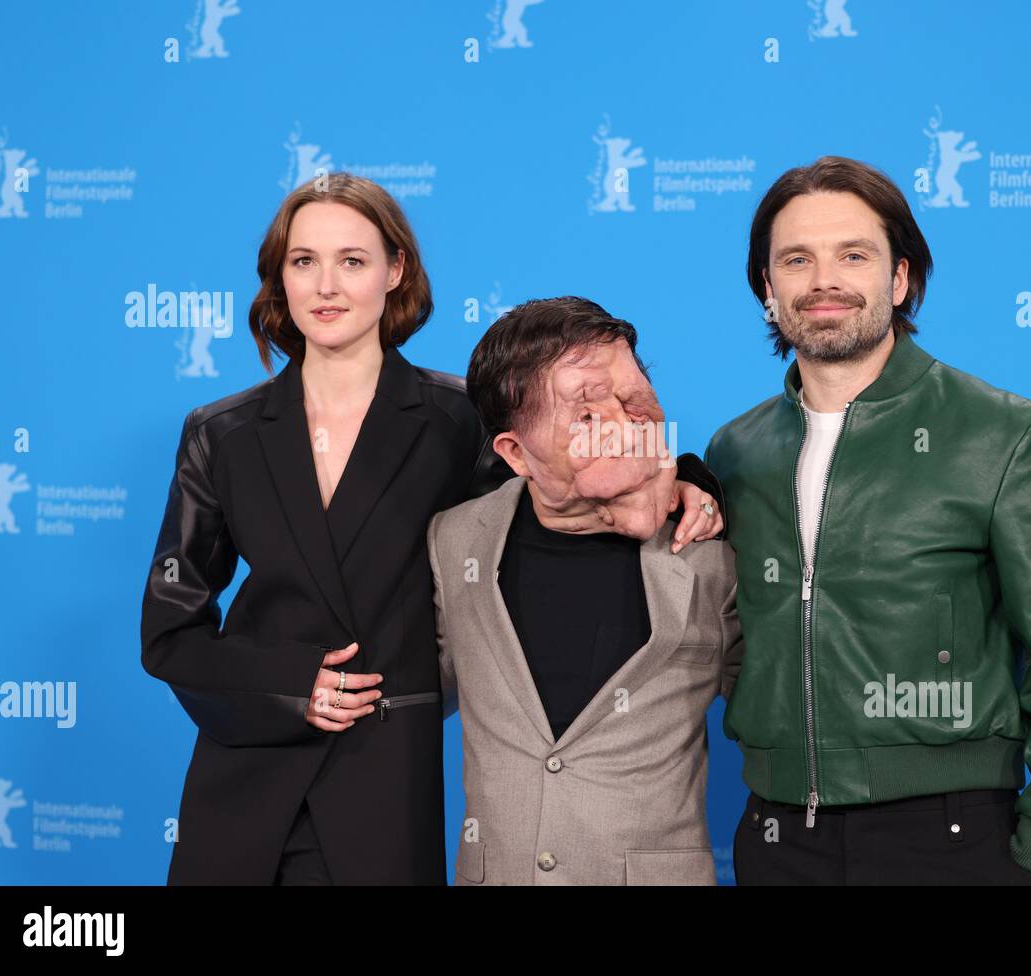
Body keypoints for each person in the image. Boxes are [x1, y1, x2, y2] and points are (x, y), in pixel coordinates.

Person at [139, 173, 722, 884]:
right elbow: (170, 634)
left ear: (395, 271)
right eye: (303, 261)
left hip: (382, 782)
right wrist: (290, 685)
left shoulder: (459, 421)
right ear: (278, 280)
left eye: (352, 260)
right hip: (243, 782)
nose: (326, 284)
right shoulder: (219, 433)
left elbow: (571, 487)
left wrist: (687, 480)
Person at [706, 156, 1031, 886]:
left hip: (950, 838)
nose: (823, 280)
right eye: (796, 260)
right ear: (766, 290)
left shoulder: (1004, 436)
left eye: (854, 255)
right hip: (775, 837)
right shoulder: (734, 451)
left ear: (899, 280)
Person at [428, 297, 742, 884]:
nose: (622, 428)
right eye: (585, 414)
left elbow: (782, 707)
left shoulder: (711, 551)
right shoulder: (453, 543)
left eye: (631, 401)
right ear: (514, 452)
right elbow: (415, 689)